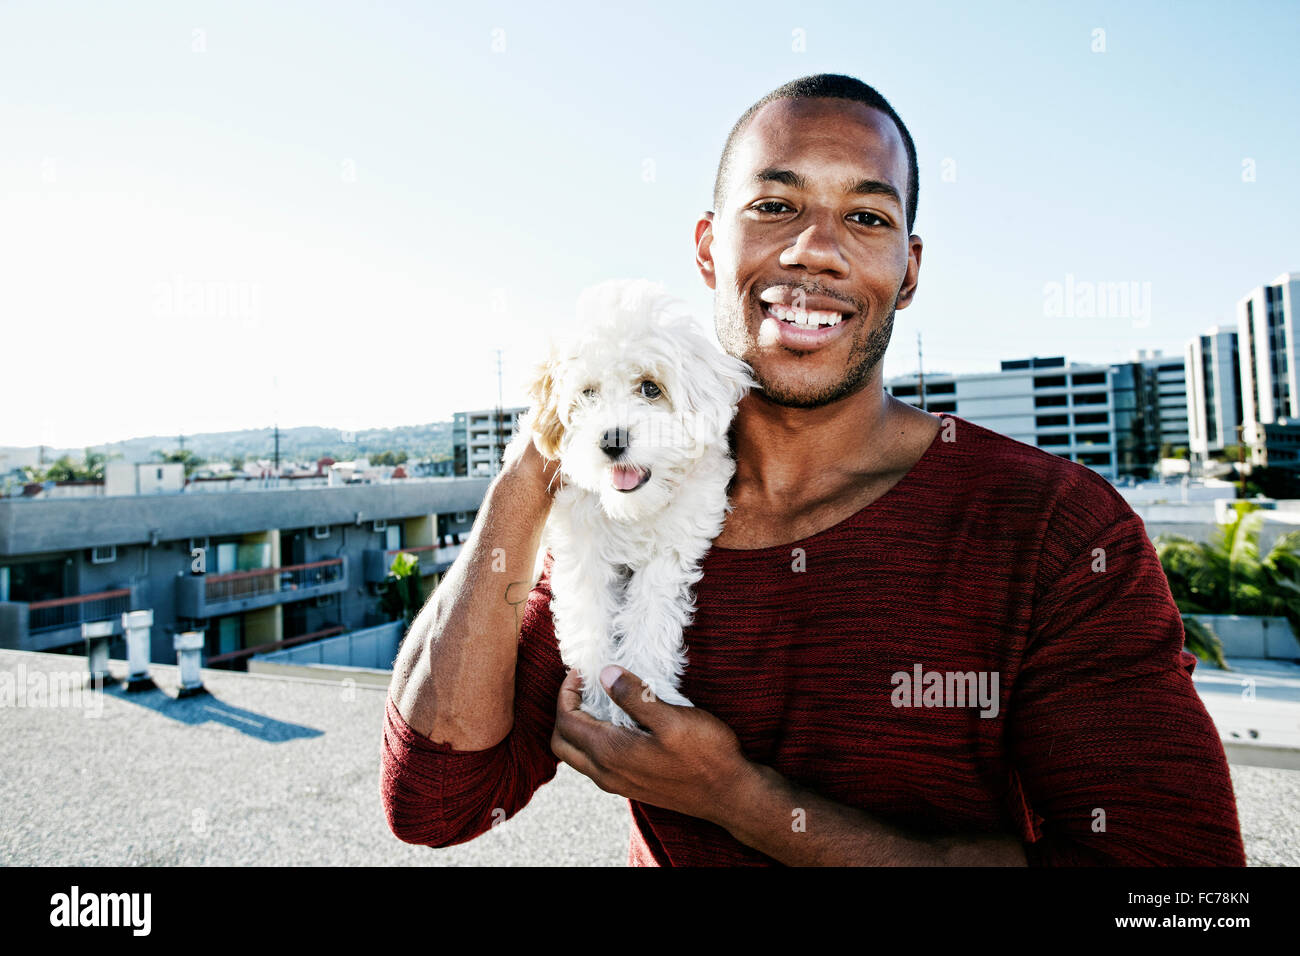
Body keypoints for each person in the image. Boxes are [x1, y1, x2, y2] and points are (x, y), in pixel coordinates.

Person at [382, 74, 1246, 866]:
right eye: (773, 206)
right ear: (707, 248)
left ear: (909, 270)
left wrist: (742, 802)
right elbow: (437, 801)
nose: (814, 251)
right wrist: (539, 450)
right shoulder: (625, 507)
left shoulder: (1053, 531)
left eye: (867, 218)